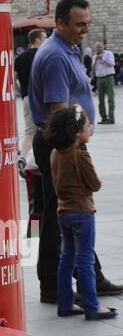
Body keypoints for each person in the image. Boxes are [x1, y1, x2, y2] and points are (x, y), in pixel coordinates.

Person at [29, 0, 123, 304]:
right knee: (66, 214)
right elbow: (60, 111)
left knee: (61, 215)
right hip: (63, 144)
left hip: (64, 143)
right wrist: (78, 142)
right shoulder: (55, 56)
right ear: (60, 23)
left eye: (87, 23)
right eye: (79, 24)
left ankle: (75, 280)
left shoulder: (66, 49)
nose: (85, 29)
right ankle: (66, 282)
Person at [47, 104, 116, 320]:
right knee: (86, 260)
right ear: (77, 132)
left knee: (66, 259)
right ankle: (92, 306)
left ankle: (65, 303)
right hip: (82, 212)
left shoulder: (55, 153)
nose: (90, 128)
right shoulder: (80, 155)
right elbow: (94, 184)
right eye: (87, 125)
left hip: (63, 211)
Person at [14, 28, 47, 159]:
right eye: (45, 37)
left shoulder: (20, 58)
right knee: (47, 130)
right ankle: (37, 161)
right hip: (42, 98)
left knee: (29, 132)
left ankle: (22, 157)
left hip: (27, 97)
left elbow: (13, 78)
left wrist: (19, 91)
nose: (47, 40)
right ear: (37, 40)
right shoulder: (44, 55)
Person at [93, 40, 116, 124]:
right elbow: (92, 68)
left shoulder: (108, 53)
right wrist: (95, 60)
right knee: (100, 100)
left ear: (103, 46)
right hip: (99, 79)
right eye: (97, 46)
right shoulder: (95, 56)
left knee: (110, 98)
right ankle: (104, 118)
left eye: (99, 46)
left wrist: (102, 60)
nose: (98, 48)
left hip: (108, 78)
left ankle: (111, 118)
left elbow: (112, 64)